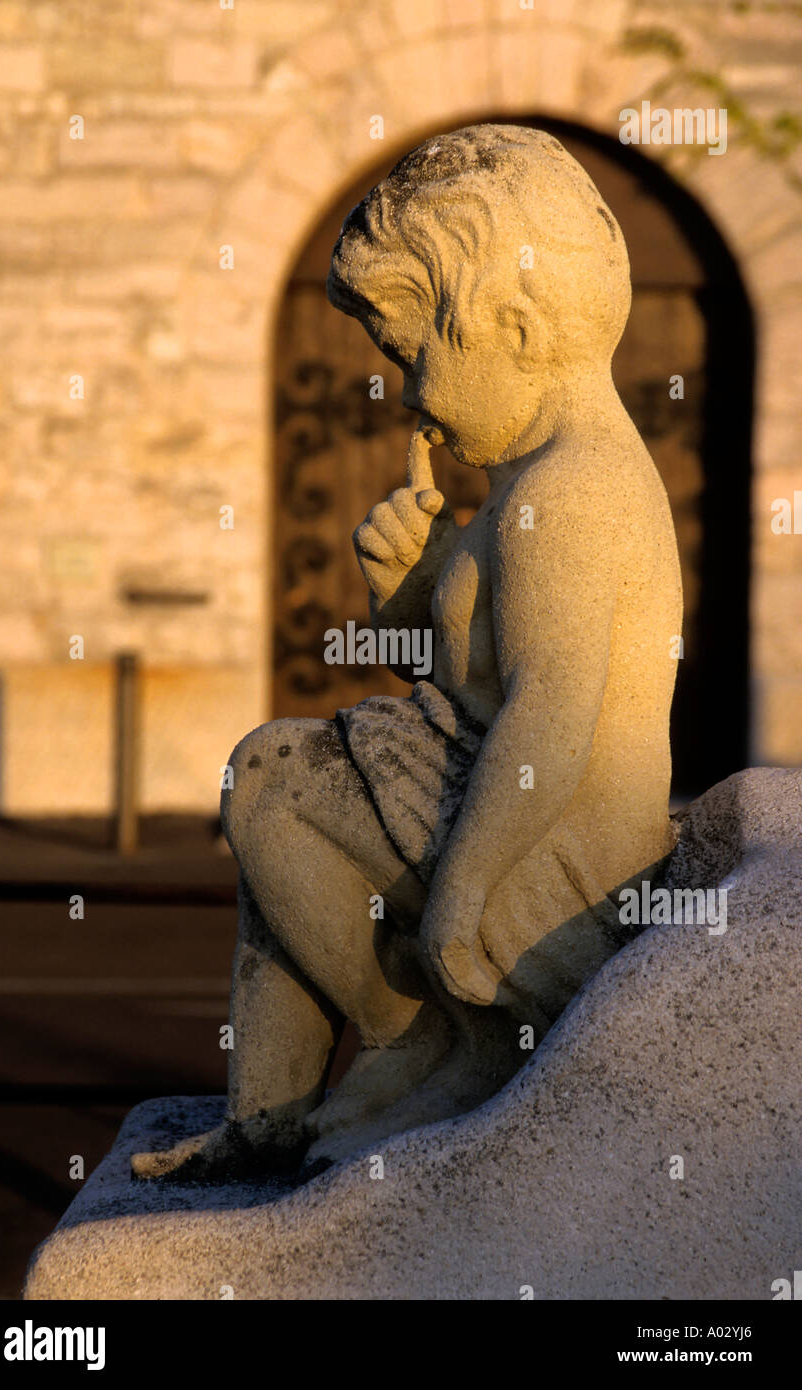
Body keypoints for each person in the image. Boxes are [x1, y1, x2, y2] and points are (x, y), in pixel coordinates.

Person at [133, 125, 682, 1182]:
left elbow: (549, 712)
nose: (409, 399)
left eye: (412, 354)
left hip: (549, 868)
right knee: (279, 825)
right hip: (497, 798)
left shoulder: (569, 495)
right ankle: (270, 1119)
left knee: (267, 781)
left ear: (510, 326)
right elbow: (472, 678)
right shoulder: (529, 484)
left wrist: (463, 897)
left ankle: (413, 1041)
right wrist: (408, 595)